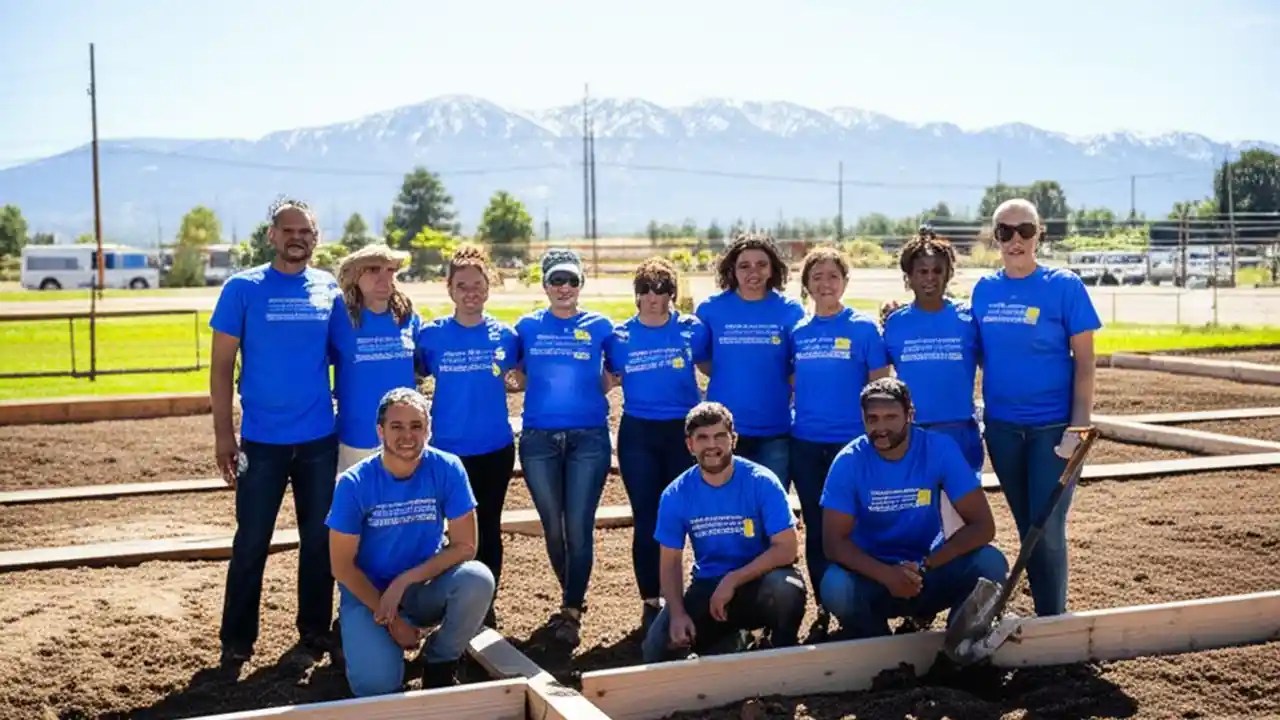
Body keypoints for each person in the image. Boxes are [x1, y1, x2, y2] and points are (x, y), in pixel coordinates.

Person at [209, 197, 340, 668]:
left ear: (315, 238)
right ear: (271, 236)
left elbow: (349, 348)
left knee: (320, 540)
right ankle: (237, 641)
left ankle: (314, 633)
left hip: (319, 440)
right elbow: (222, 366)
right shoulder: (242, 289)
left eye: (305, 231)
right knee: (251, 541)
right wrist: (225, 434)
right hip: (261, 441)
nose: (297, 238)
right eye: (288, 230)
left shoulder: (329, 289)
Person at [972, 198, 1101, 617]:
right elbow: (969, 349)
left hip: (1052, 429)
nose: (1015, 240)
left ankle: (1053, 620)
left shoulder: (1064, 287)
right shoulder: (984, 290)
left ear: (1039, 234)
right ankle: (1047, 614)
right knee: (1028, 525)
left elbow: (1085, 361)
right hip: (1003, 430)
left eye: (1024, 230)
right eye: (1005, 232)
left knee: (1045, 530)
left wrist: (1078, 426)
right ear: (996, 238)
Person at [326, 388, 495, 695]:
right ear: (380, 431)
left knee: (477, 579)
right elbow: (341, 566)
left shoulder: (448, 468)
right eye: (397, 427)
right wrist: (391, 620)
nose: (407, 436)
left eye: (416, 426)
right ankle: (355, 637)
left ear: (429, 429)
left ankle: (440, 661)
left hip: (422, 588)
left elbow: (466, 545)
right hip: (369, 595)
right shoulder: (354, 484)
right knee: (378, 689)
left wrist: (405, 581)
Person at [819, 378, 1008, 639]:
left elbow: (983, 526)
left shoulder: (939, 450)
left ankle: (958, 643)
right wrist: (887, 575)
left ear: (910, 415)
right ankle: (876, 645)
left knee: (991, 563)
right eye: (872, 419)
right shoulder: (849, 462)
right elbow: (833, 543)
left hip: (928, 571)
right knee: (834, 586)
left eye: (890, 417)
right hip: (872, 576)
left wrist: (926, 564)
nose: (881, 428)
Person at [642, 401, 807, 663]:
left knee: (785, 589)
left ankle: (779, 648)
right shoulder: (676, 494)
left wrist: (733, 580)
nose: (712, 445)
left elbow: (787, 548)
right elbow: (670, 561)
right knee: (657, 650)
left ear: (734, 440)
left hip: (759, 581)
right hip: (708, 587)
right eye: (703, 438)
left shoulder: (762, 482)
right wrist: (676, 613)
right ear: (690, 445)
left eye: (720, 436)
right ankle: (734, 641)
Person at [787, 245, 890, 636]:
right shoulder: (798, 332)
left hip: (854, 447)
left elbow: (881, 386)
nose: (825, 283)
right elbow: (793, 382)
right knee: (818, 526)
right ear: (807, 285)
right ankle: (826, 603)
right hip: (808, 445)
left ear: (845, 281)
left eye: (833, 276)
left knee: (860, 524)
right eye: (817, 277)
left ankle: (862, 597)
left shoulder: (863, 329)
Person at [415, 245, 519, 628]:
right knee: (443, 530)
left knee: (487, 527)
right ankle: (446, 600)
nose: (470, 292)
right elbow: (415, 375)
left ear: (488, 288)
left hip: (494, 449)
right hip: (446, 453)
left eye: (477, 285)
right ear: (450, 289)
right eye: (462, 286)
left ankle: (484, 607)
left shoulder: (505, 336)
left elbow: (520, 375)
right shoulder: (432, 336)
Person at [515, 248, 614, 648]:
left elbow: (614, 373)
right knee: (553, 529)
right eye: (557, 280)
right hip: (539, 439)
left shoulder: (601, 326)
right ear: (544, 285)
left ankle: (571, 609)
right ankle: (570, 592)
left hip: (588, 438)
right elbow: (516, 373)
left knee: (578, 526)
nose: (564, 288)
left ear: (581, 285)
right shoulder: (526, 327)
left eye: (572, 280)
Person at [604, 256, 711, 631]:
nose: (654, 297)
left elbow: (714, 367)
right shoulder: (618, 338)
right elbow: (605, 379)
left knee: (691, 513)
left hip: (683, 433)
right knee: (648, 518)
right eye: (646, 289)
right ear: (636, 295)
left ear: (672, 295)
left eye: (662, 289)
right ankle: (651, 600)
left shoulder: (692, 330)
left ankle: (700, 589)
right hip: (639, 434)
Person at [882, 227, 983, 536]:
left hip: (959, 433)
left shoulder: (968, 319)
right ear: (908, 277)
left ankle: (963, 581)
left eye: (937, 270)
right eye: (921, 271)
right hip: (915, 435)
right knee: (919, 519)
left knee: (961, 520)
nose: (929, 277)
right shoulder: (895, 323)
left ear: (948, 274)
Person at [695, 233, 805, 485]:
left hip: (775, 429)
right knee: (727, 507)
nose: (752, 272)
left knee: (770, 509)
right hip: (722, 432)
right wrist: (732, 373)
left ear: (772, 269)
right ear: (732, 270)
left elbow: (795, 368)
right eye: (744, 265)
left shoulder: (791, 311)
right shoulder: (711, 310)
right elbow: (703, 361)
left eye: (761, 264)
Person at [329, 244, 422, 474]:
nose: (384, 278)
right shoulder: (338, 315)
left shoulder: (406, 317)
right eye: (373, 270)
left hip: (405, 439)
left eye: (390, 270)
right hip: (357, 437)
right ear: (355, 275)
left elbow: (421, 365)